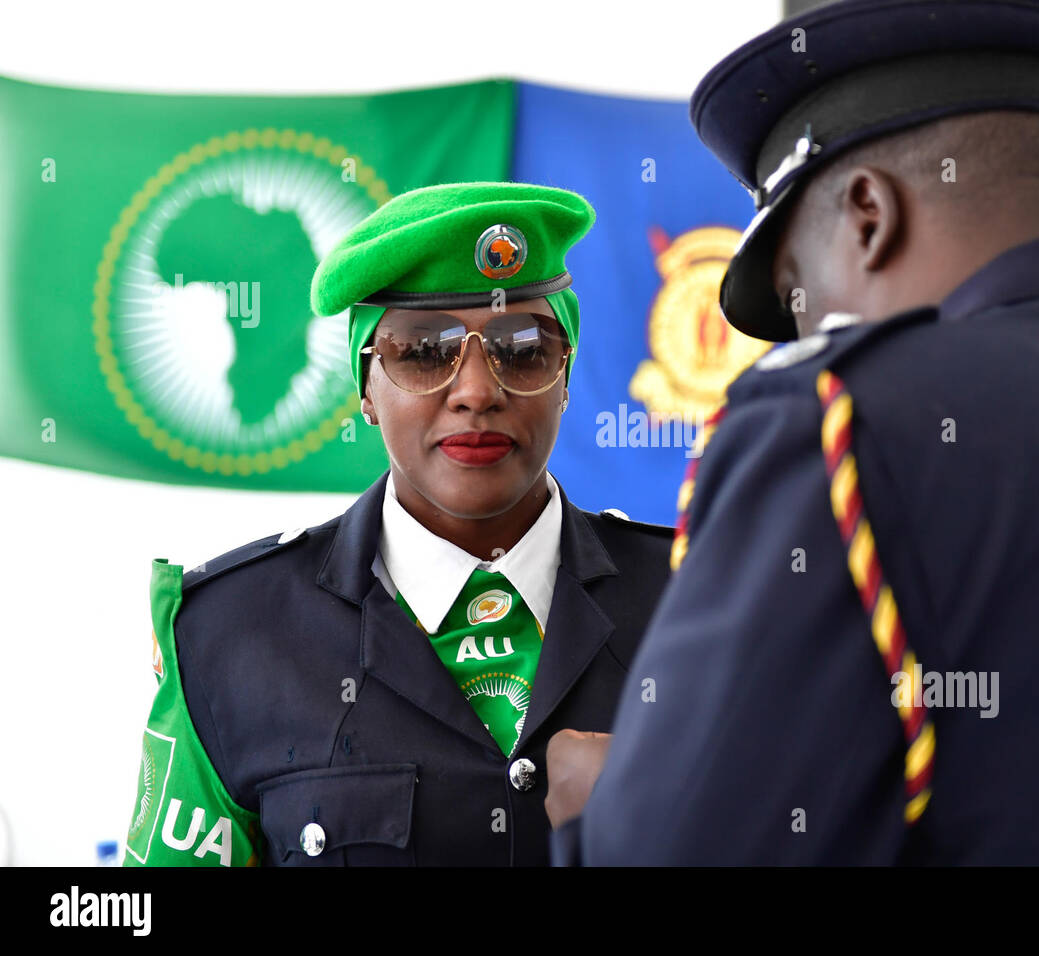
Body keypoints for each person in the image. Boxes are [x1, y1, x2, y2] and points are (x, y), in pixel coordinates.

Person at [547, 0, 1039, 864]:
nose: (805, 328)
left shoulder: (840, 427)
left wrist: (595, 811)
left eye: (798, 290)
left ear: (869, 215)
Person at [122, 181, 673, 866]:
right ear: (365, 389)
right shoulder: (229, 632)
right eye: (422, 351)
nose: (477, 392)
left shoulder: (702, 601)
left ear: (565, 375)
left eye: (523, 347)